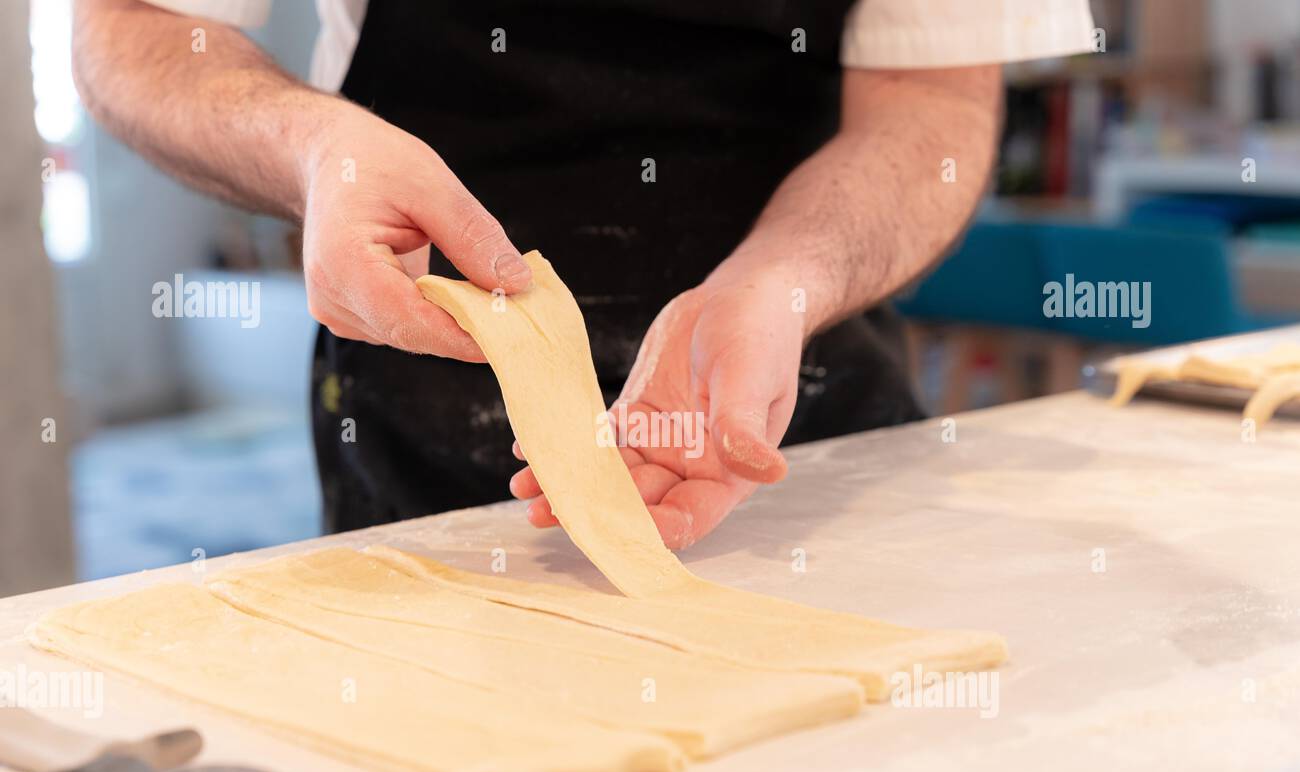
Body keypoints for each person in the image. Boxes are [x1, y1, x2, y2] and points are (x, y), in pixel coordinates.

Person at [73, 0, 1094, 547]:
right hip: (424, 454)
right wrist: (313, 147)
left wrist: (788, 276)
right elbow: (137, 25)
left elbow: (933, 101)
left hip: (791, 427)